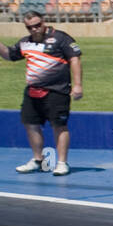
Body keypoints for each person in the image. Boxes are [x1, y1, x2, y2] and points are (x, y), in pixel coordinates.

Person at [4, 9, 83, 176]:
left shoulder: (61, 38)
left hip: (57, 91)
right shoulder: (26, 42)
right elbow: (10, 55)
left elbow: (74, 59)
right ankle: (37, 160)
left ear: (44, 22)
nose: (34, 29)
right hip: (32, 91)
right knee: (30, 124)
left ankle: (62, 162)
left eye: (37, 25)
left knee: (59, 126)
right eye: (30, 27)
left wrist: (77, 85)